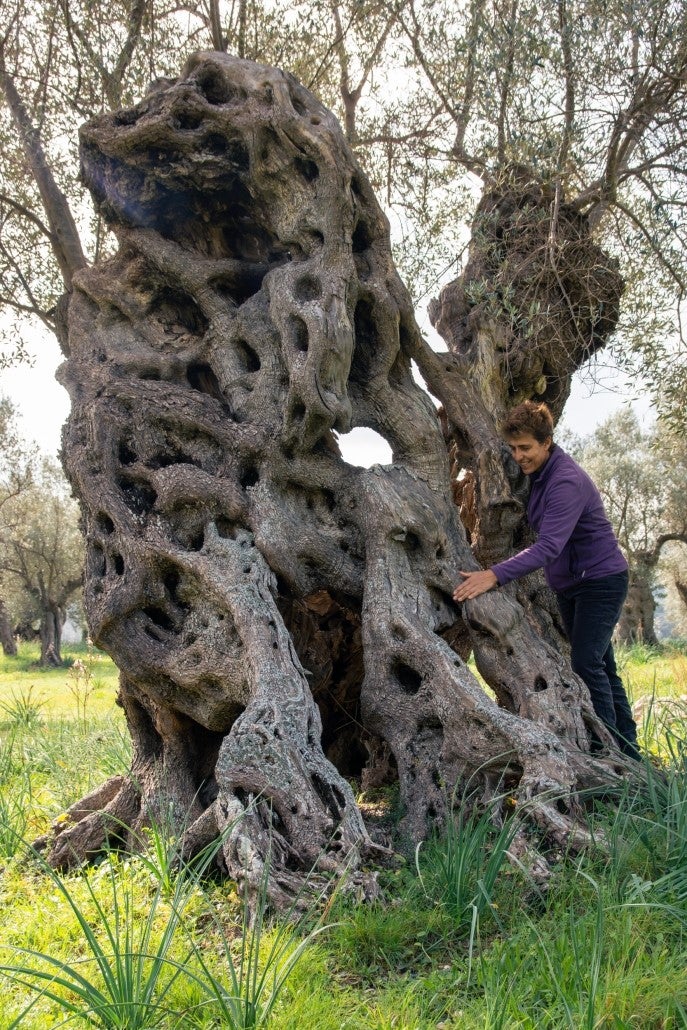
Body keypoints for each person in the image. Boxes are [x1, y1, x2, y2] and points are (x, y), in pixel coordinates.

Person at [453, 400, 639, 759]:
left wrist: (494, 575)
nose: (519, 456)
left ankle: (609, 754)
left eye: (526, 448)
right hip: (573, 586)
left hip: (601, 580)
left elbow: (549, 547)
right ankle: (629, 755)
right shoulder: (539, 475)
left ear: (547, 443)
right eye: (513, 448)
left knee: (586, 663)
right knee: (604, 666)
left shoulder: (565, 481)